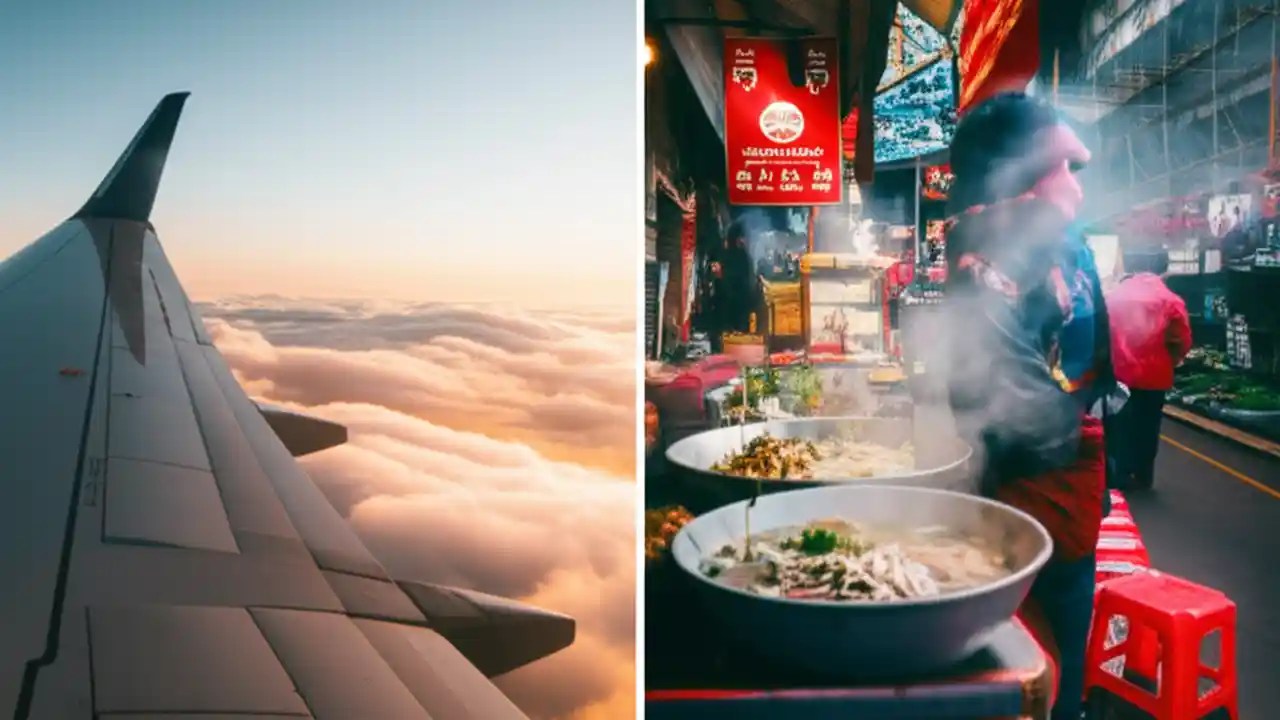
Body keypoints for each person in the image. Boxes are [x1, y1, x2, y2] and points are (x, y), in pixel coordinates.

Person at [939, 92, 1105, 720]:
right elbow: (992, 379)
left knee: (1048, 657)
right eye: (1061, 169)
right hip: (1045, 481)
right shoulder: (1003, 247)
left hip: (1055, 481)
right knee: (1044, 656)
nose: (1075, 188)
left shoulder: (1036, 243)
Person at [1106, 249, 1192, 489]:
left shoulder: (1114, 296)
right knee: (1148, 425)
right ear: (1163, 269)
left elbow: (1100, 333)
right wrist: (1172, 361)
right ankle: (1144, 474)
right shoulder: (1170, 300)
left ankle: (1118, 474)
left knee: (1119, 424)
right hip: (1154, 377)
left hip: (1118, 374)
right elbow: (1181, 338)